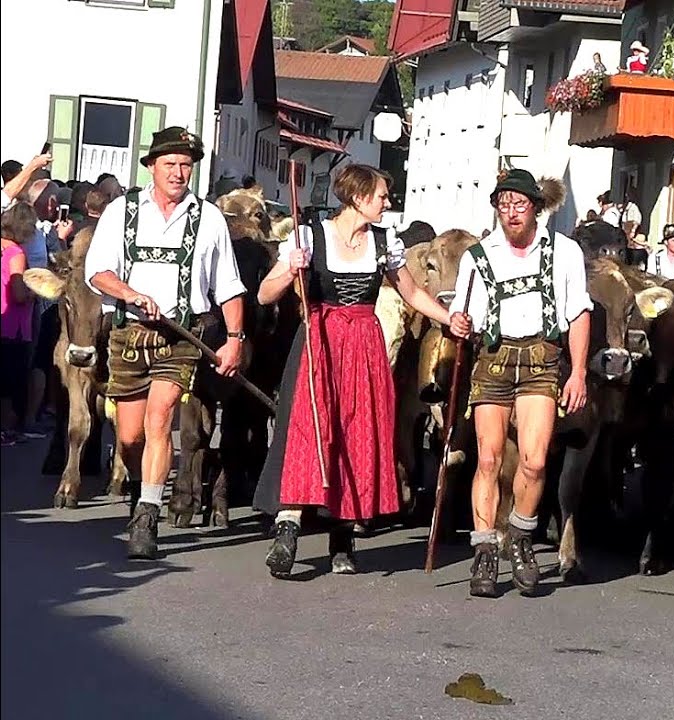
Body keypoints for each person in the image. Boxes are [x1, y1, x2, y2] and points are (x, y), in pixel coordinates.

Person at [255, 164, 466, 578]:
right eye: (382, 195)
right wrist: (289, 269)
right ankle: (288, 528)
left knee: (357, 436)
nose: (387, 202)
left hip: (364, 345)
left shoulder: (383, 243)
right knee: (307, 429)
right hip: (320, 342)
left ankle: (342, 534)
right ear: (358, 196)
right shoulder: (308, 236)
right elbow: (264, 294)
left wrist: (447, 319)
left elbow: (410, 291)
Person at [83, 127, 247, 560]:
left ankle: (147, 517)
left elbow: (229, 285)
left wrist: (234, 339)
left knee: (160, 422)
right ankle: (143, 491)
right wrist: (130, 294)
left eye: (186, 165)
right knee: (130, 437)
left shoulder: (208, 217)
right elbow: (97, 272)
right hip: (129, 336)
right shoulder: (122, 211)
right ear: (152, 167)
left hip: (182, 337)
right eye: (170, 164)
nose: (178, 172)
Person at [448, 169, 593, 598]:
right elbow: (463, 313)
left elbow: (579, 314)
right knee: (489, 460)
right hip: (493, 361)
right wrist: (458, 322)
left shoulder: (563, 252)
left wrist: (580, 371)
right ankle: (485, 552)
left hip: (542, 361)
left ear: (536, 207)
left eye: (519, 204)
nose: (511, 213)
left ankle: (522, 539)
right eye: (503, 205)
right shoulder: (478, 256)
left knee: (533, 461)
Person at [1, 204, 36, 446]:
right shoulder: (16, 253)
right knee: (9, 380)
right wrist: (35, 289)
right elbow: (18, 293)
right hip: (13, 324)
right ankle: (6, 429)